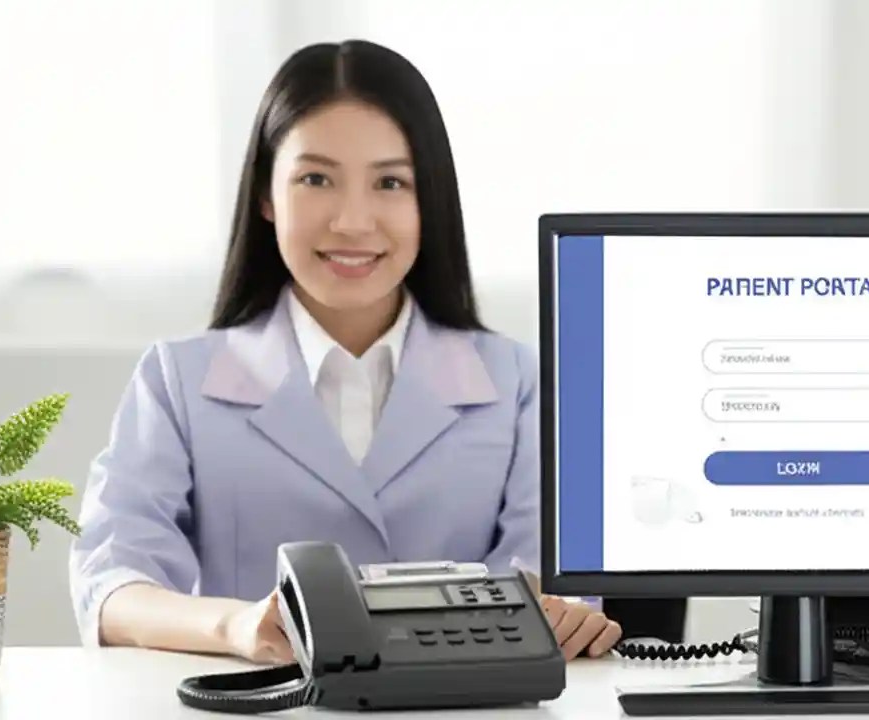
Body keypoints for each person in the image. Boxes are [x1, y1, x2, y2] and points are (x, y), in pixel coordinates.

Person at [67, 39, 622, 664]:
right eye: (316, 178)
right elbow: (112, 583)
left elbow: (552, 582)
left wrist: (559, 611)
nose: (353, 221)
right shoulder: (178, 379)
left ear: (428, 201)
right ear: (266, 196)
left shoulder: (520, 380)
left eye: (390, 182)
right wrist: (237, 627)